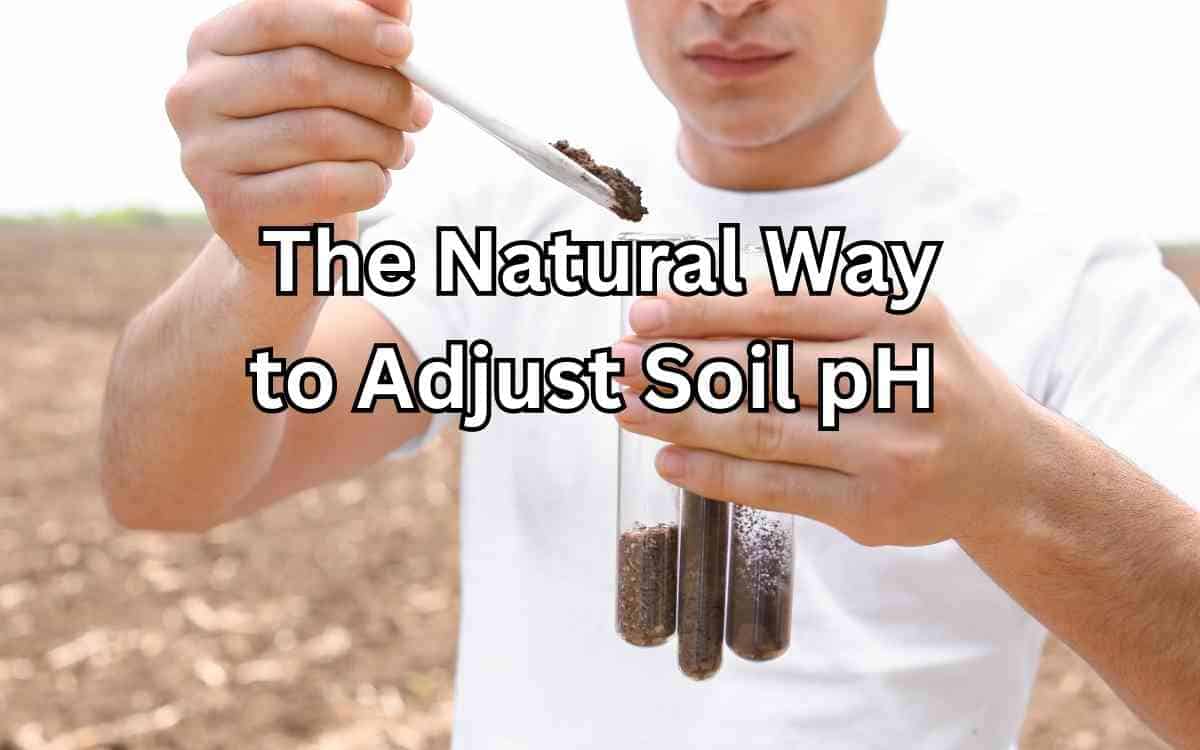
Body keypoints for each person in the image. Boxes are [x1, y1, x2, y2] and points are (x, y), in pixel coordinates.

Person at [100, 1, 1200, 748]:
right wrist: (260, 255)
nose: (726, 2)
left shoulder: (1067, 278)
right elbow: (161, 485)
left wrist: (1016, 484)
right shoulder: (509, 220)